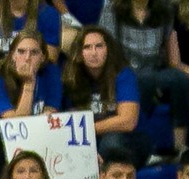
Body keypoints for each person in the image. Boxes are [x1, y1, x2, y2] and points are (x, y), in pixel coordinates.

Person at [100, 0, 189, 149]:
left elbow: (167, 52)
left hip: (154, 73)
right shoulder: (112, 12)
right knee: (142, 79)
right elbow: (109, 55)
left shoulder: (165, 12)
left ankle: (180, 146)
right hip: (122, 75)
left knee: (179, 79)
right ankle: (142, 141)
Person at [62, 26, 145, 168]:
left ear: (108, 50)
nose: (94, 53)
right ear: (80, 53)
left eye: (99, 46)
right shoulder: (71, 78)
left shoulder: (123, 74)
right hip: (88, 139)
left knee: (110, 143)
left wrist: (88, 129)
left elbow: (128, 121)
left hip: (123, 138)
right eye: (87, 47)